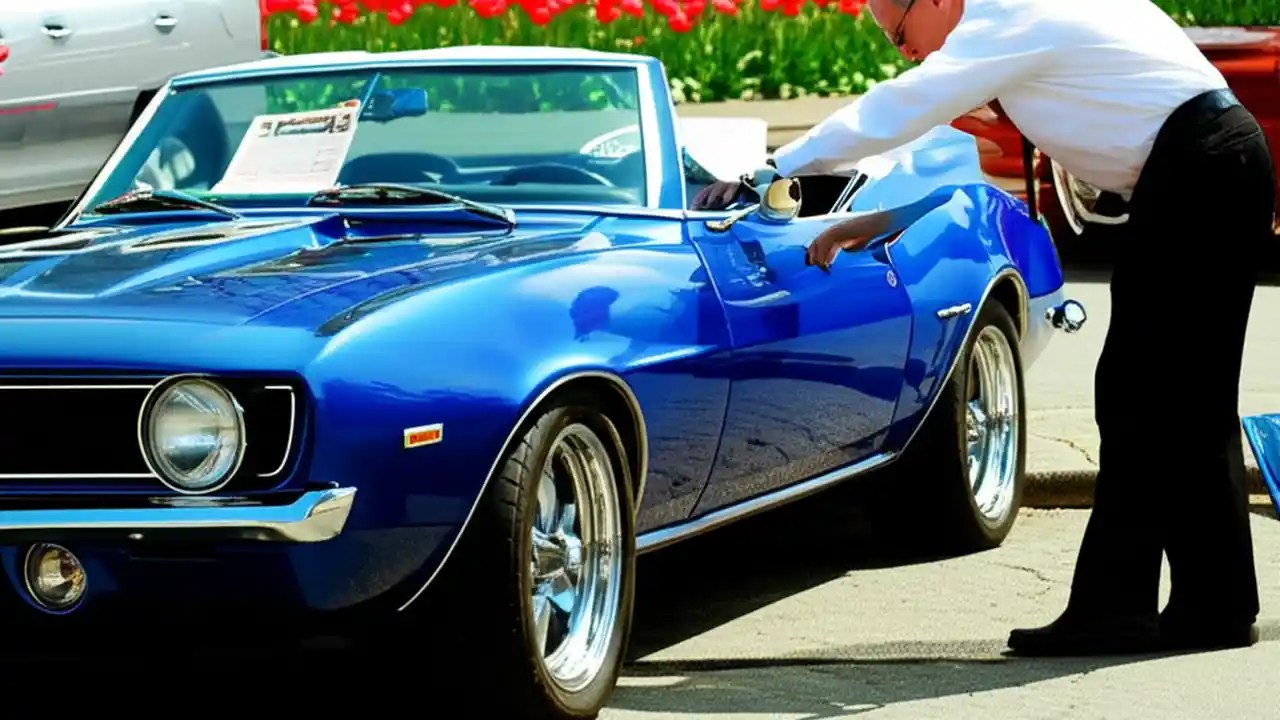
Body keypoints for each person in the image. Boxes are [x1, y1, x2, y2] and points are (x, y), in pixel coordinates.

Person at [694, 0, 1274, 655]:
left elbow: (891, 110)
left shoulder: (1002, 20)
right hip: (1214, 166)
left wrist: (769, 170)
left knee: (1149, 395)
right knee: (1173, 397)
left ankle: (1140, 607)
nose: (904, 52)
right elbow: (940, 163)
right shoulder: (1006, 29)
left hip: (1200, 172)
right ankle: (1196, 604)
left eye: (902, 33)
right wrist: (871, 223)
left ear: (937, 1)